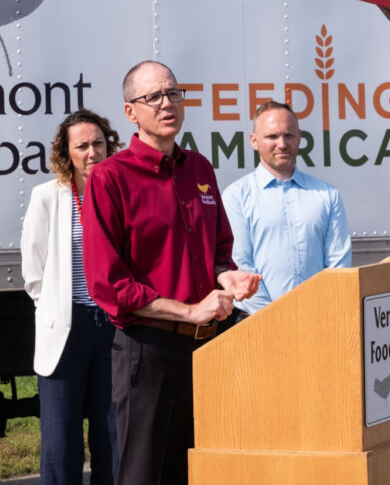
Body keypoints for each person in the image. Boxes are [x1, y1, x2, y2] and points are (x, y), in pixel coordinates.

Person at [81, 60, 261, 485]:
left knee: (205, 473)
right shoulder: (109, 178)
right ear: (130, 112)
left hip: (208, 349)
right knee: (145, 475)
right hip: (149, 353)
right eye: (154, 97)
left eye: (174, 93)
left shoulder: (199, 168)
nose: (167, 104)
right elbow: (109, 286)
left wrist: (226, 276)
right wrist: (189, 311)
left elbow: (218, 249)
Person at [20, 110, 121, 485]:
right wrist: (54, 311)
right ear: (66, 152)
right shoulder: (47, 197)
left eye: (99, 143)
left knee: (112, 438)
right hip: (66, 330)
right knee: (61, 443)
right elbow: (34, 271)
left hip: (113, 327)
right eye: (82, 146)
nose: (92, 152)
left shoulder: (119, 194)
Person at [223, 100, 352, 314]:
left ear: (299, 137)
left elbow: (338, 266)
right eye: (272, 136)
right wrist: (278, 319)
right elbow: (241, 265)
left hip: (318, 319)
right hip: (255, 322)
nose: (282, 144)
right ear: (254, 141)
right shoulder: (237, 196)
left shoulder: (327, 194)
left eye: (288, 135)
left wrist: (321, 314)